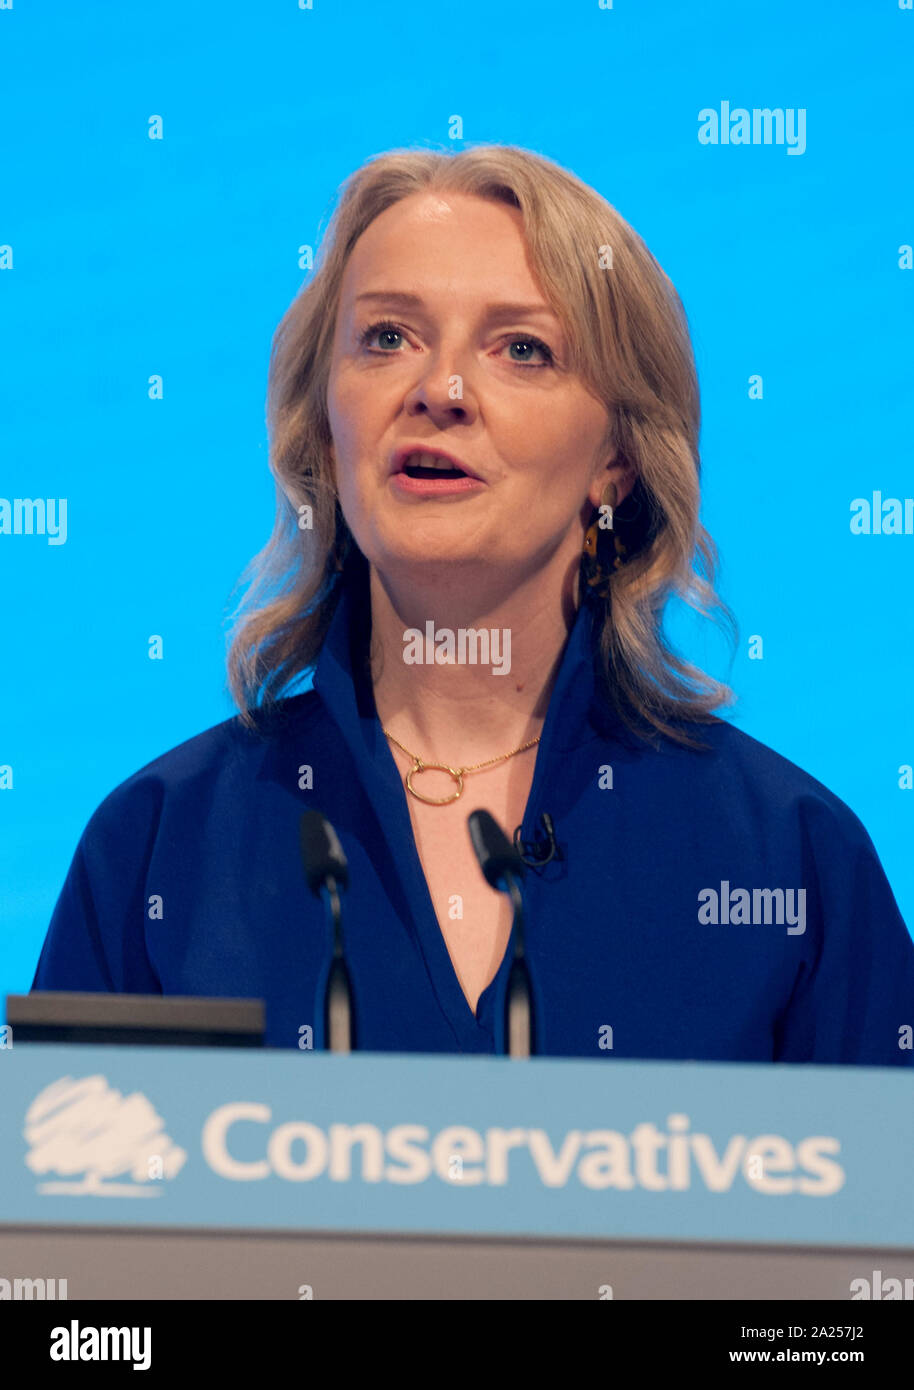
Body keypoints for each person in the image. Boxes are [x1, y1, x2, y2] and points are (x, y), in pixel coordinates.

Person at [32, 144, 914, 1063]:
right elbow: (70, 1195)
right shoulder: (159, 846)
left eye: (521, 349)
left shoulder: (786, 859)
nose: (439, 391)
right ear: (327, 434)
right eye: (386, 339)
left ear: (615, 457)